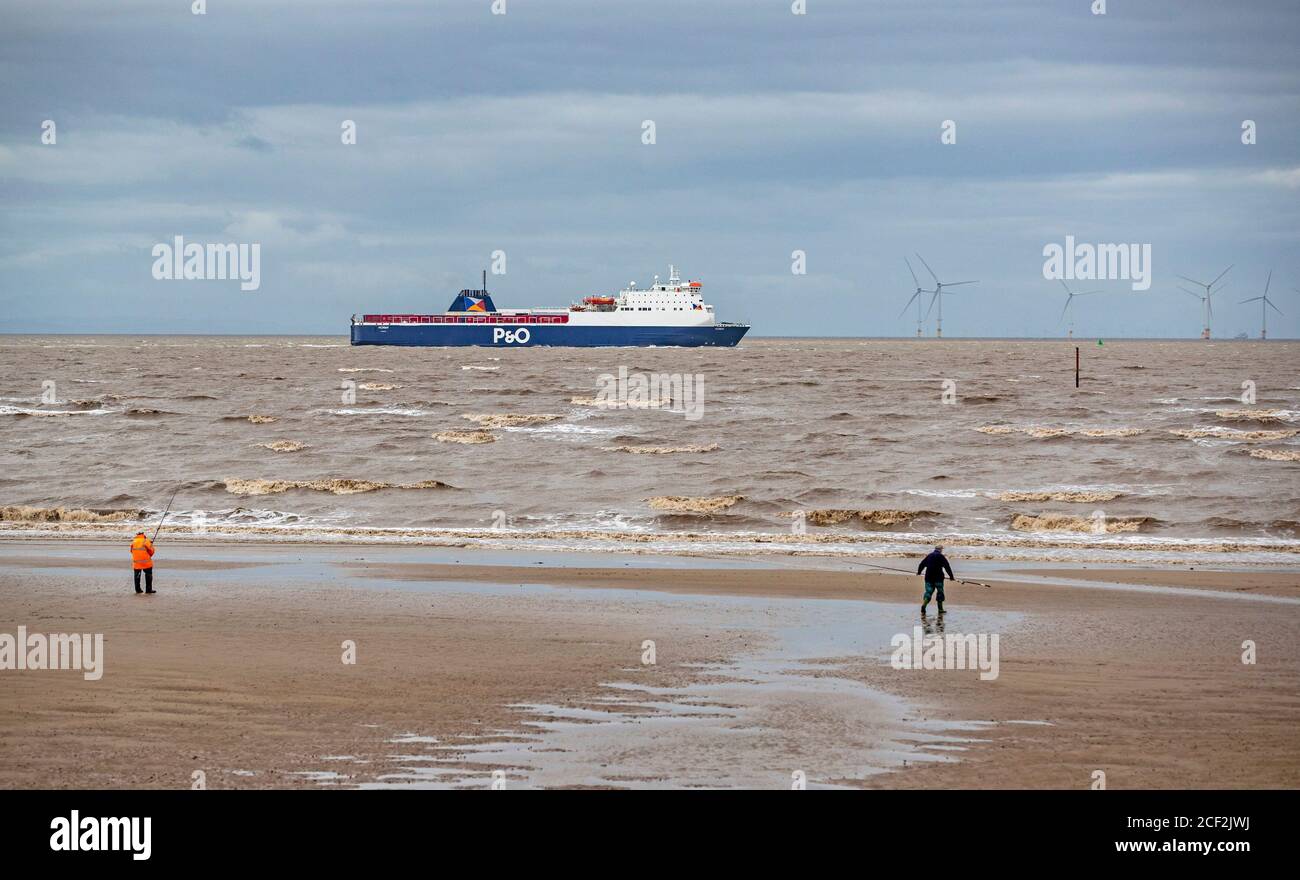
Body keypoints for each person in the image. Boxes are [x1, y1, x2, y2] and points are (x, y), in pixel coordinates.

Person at [917, 544, 954, 614]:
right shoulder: (941, 556)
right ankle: (940, 609)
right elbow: (947, 567)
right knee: (940, 593)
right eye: (942, 549)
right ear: (940, 550)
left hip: (928, 577)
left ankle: (924, 605)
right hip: (938, 578)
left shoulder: (929, 556)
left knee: (929, 592)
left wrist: (919, 572)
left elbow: (922, 564)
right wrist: (951, 576)